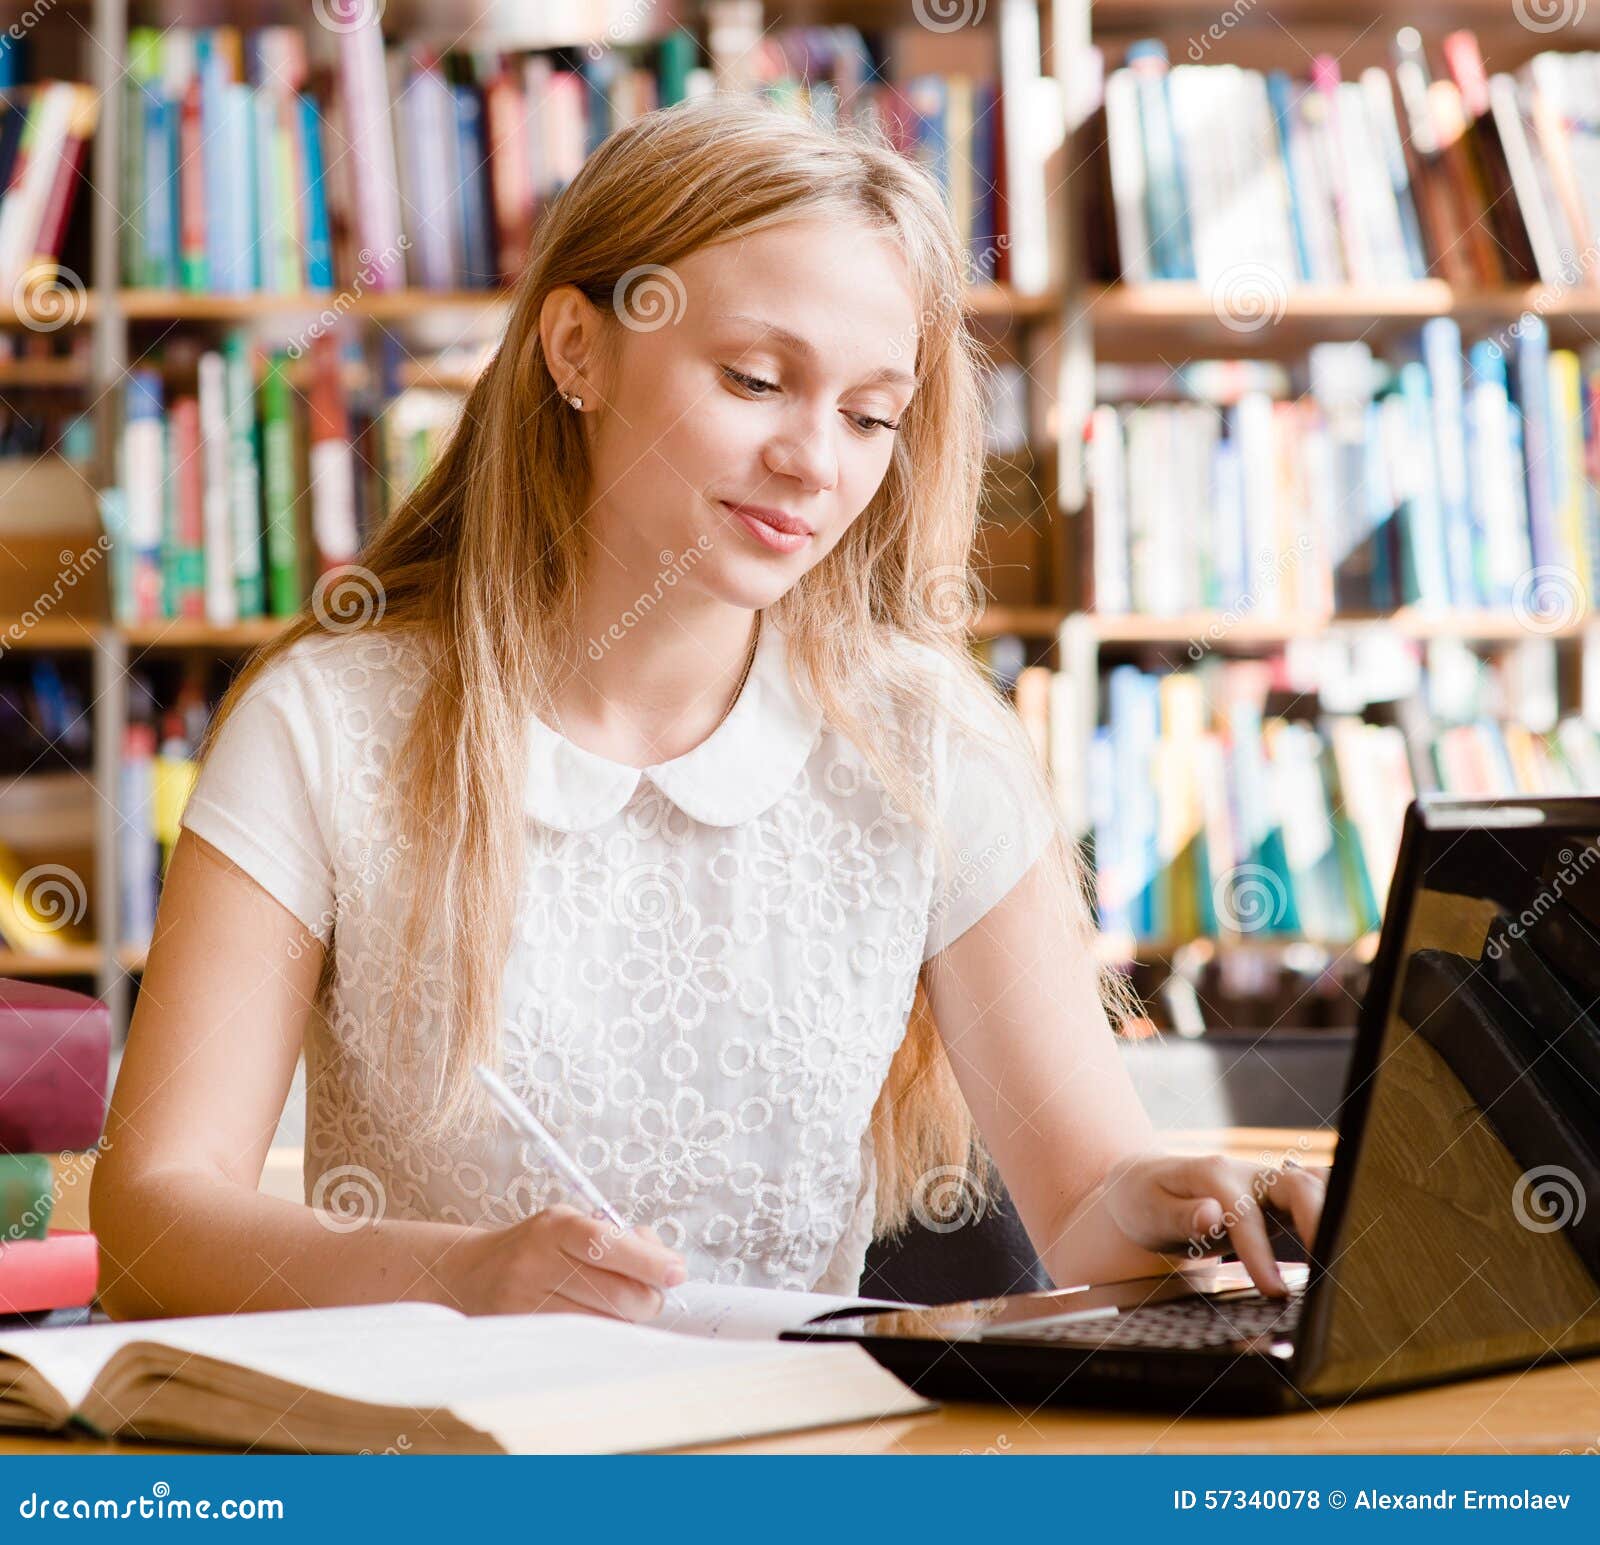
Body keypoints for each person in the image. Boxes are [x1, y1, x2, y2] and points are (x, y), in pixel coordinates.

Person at [91, 94, 1323, 1323]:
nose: (815, 461)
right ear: (577, 350)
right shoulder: (326, 725)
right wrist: (459, 1277)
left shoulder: (928, 744)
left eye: (868, 415)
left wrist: (1198, 1195)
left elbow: (1089, 1203)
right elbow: (152, 1221)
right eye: (753, 379)